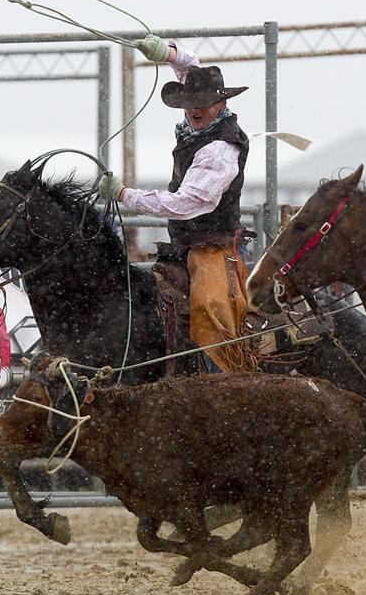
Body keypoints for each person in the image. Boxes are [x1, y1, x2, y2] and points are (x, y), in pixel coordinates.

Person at [97, 36, 253, 373]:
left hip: (214, 248)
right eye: (190, 102)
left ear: (221, 104)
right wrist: (165, 53)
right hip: (185, 245)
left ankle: (225, 382)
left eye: (204, 103)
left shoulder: (222, 149)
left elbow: (186, 204)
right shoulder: (202, 129)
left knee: (210, 310)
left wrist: (125, 195)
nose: (195, 110)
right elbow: (190, 64)